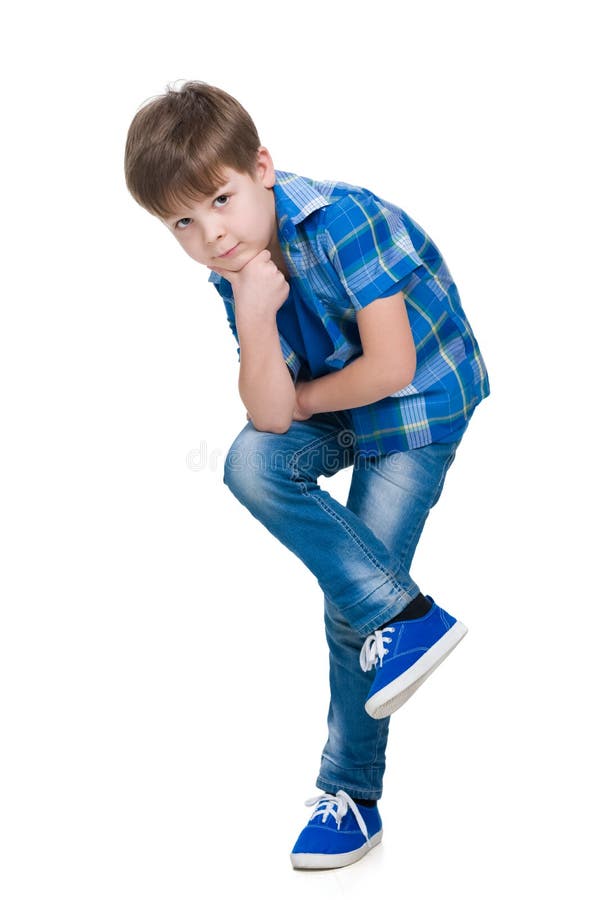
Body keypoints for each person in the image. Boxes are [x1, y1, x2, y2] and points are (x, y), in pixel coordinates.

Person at [124, 80, 490, 870]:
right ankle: (410, 613)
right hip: (339, 395)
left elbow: (391, 368)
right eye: (182, 222)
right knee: (250, 465)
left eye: (219, 199)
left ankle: (351, 796)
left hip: (420, 402)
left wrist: (296, 402)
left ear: (261, 166)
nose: (211, 234)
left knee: (350, 606)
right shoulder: (237, 271)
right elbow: (267, 422)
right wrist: (254, 313)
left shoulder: (343, 218)